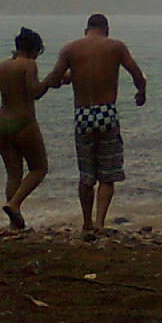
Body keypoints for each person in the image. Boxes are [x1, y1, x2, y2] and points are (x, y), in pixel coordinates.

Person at [42, 13, 147, 236]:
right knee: (107, 174)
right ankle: (100, 223)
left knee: (86, 175)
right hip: (106, 112)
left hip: (82, 114)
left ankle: (86, 223)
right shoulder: (115, 46)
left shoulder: (70, 49)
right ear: (106, 29)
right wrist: (141, 92)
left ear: (86, 29)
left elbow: (54, 78)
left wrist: (57, 81)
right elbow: (136, 73)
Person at [0, 27, 55, 230]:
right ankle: (14, 204)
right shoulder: (29, 65)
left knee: (13, 175)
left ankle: (14, 222)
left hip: (3, 124)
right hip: (24, 123)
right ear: (34, 50)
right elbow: (34, 92)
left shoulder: (1, 66)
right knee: (39, 168)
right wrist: (49, 81)